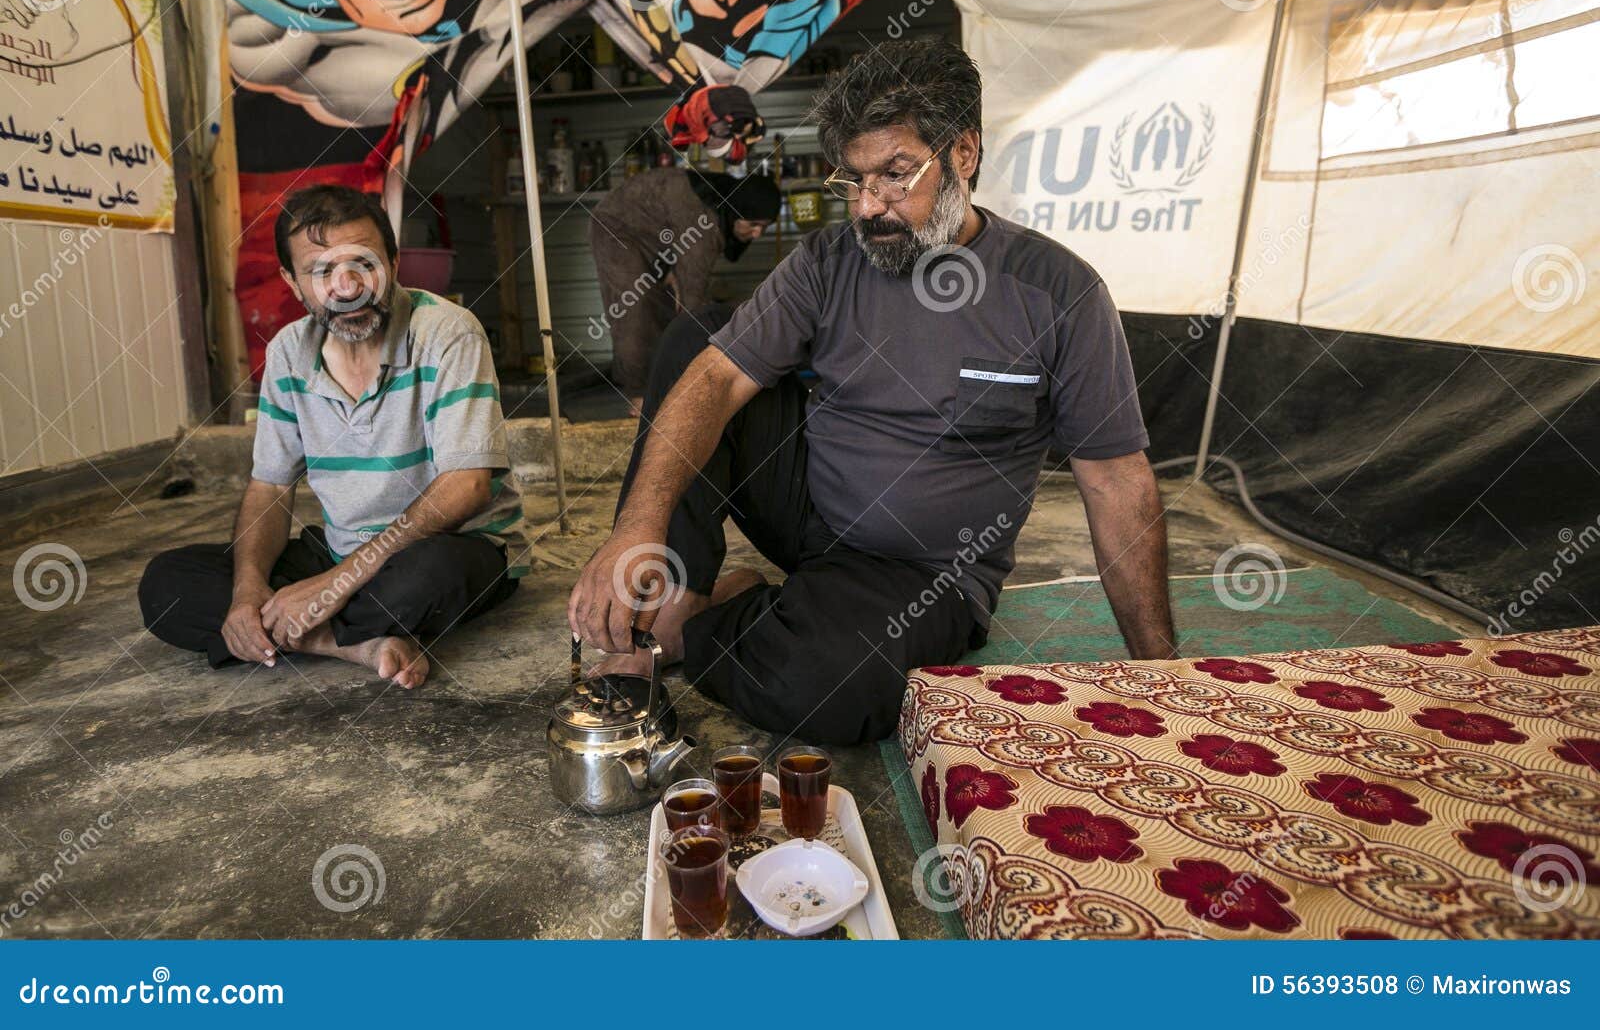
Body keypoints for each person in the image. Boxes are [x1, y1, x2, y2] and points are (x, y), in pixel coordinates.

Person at [568, 39, 1178, 745]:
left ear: (964, 153)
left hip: (925, 572)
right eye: (854, 180)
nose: (868, 207)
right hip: (810, 515)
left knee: (826, 684)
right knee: (698, 342)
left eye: (894, 175)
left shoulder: (1057, 292)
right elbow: (718, 377)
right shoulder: (827, 262)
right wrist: (635, 529)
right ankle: (678, 593)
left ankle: (713, 620)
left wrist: (1163, 671)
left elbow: (1115, 480)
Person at [138, 185, 525, 689]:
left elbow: (467, 486)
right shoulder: (288, 353)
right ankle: (357, 645)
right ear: (291, 281)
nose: (347, 288)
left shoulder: (448, 333)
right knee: (167, 584)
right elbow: (271, 487)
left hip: (448, 546)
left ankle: (309, 628)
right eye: (320, 271)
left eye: (364, 263)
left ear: (394, 262)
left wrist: (333, 585)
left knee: (429, 578)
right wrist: (248, 592)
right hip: (343, 550)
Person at [588, 166, 779, 411]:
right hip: (615, 226)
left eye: (765, 227)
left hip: (658, 234)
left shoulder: (724, 200)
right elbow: (694, 307)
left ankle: (663, 383)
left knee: (667, 307)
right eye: (753, 224)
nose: (758, 233)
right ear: (735, 213)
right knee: (635, 308)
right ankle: (638, 395)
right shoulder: (705, 225)